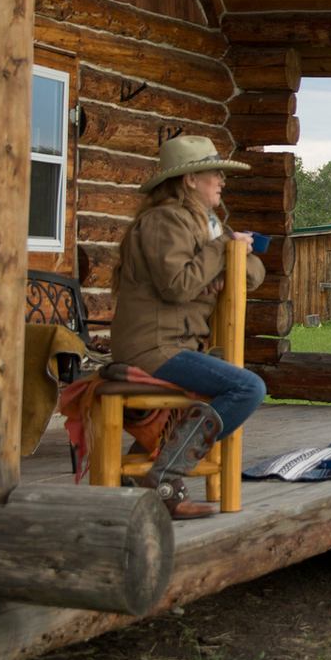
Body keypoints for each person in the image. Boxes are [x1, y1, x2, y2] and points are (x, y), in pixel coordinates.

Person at [109, 134, 268, 520]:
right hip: (154, 347)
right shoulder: (166, 220)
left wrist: (221, 261)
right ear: (189, 180)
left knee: (235, 385)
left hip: (177, 345)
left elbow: (253, 275)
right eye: (214, 173)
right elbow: (178, 285)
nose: (222, 181)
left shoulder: (205, 224)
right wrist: (216, 258)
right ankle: (164, 475)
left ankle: (145, 476)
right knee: (247, 387)